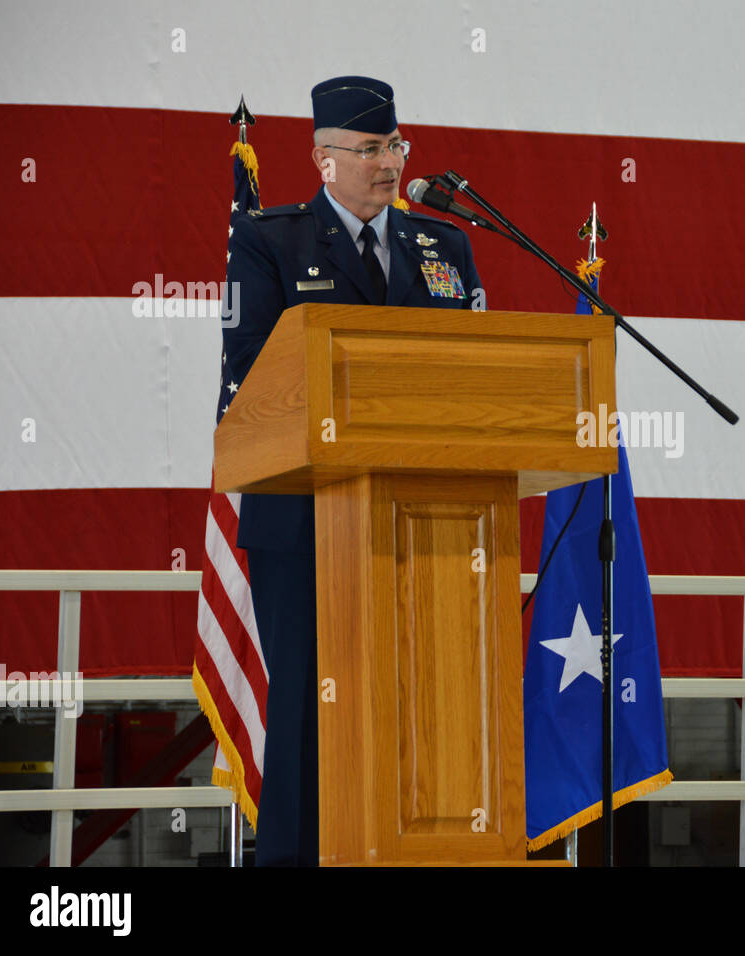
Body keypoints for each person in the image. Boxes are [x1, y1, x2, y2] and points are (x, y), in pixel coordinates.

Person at [221, 75, 484, 865]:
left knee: (424, 709)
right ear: (323, 157)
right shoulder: (271, 241)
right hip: (305, 519)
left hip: (426, 521)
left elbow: (471, 381)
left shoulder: (446, 246)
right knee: (308, 714)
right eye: (370, 149)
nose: (390, 164)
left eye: (396, 146)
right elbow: (252, 379)